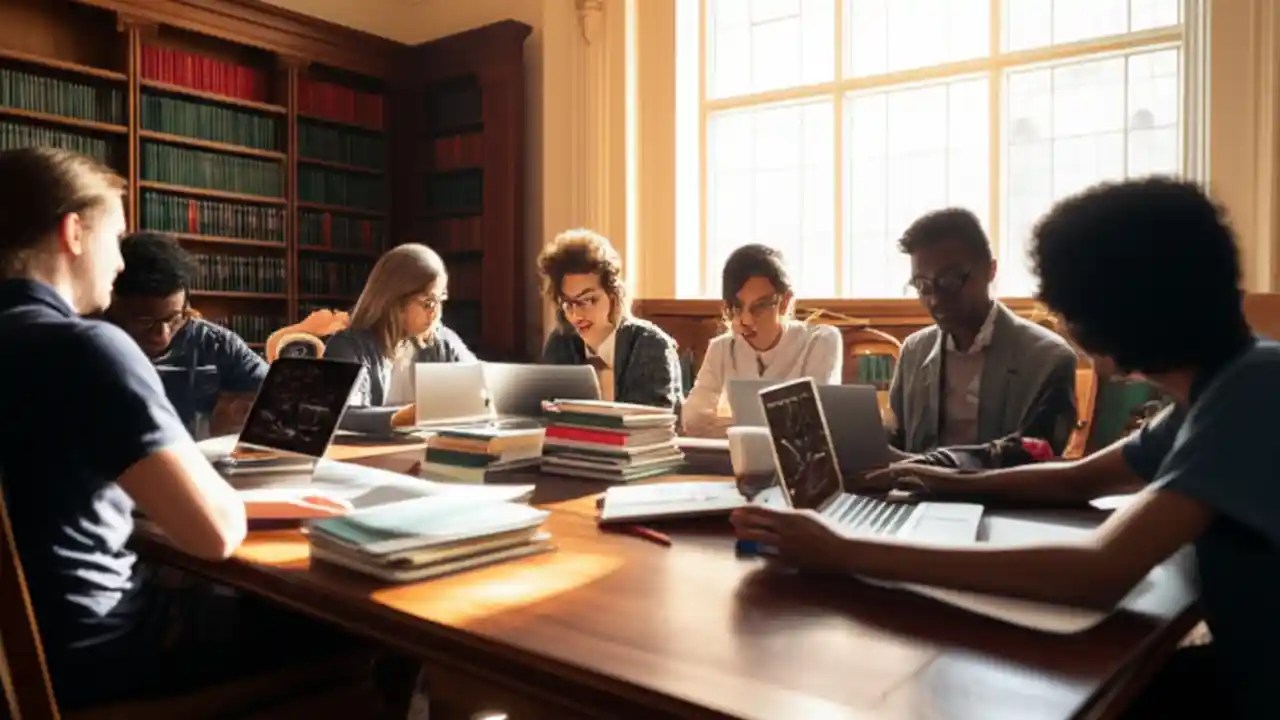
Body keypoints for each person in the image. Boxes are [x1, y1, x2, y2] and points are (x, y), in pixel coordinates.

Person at [732, 178, 1277, 718]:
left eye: (1066, 305)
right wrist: (943, 480)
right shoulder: (1218, 387)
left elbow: (1099, 570)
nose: (1063, 322)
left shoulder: (1252, 392)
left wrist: (846, 551)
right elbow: (1079, 479)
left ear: (1115, 310)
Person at [0, 147, 251, 707]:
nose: (119, 263)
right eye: (115, 239)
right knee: (358, 627)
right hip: (99, 660)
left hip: (19, 667)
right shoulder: (87, 347)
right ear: (74, 233)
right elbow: (216, 532)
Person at [887, 208, 1078, 455]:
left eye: (950, 280)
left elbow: (1032, 456)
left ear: (990, 270)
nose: (935, 299)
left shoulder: (1049, 358)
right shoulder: (914, 350)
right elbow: (896, 441)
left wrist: (928, 470)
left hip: (1002, 494)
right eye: (922, 285)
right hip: (914, 491)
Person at [104, 232, 267, 438]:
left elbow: (277, 393)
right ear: (113, 305)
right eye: (146, 322)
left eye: (174, 318)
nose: (162, 335)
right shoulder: (90, 345)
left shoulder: (216, 344)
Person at [683, 244, 842, 438]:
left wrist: (732, 426)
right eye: (736, 308)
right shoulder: (722, 349)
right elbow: (692, 421)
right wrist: (774, 427)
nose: (747, 321)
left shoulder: (820, 342)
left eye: (760, 307)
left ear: (784, 302)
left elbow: (813, 424)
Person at [325, 243, 475, 434]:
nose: (436, 312)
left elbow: (480, 390)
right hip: (372, 457)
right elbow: (342, 414)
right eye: (428, 302)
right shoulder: (350, 347)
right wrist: (407, 416)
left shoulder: (442, 340)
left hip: (430, 450)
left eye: (440, 300)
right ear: (395, 302)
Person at [538, 228, 682, 409]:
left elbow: (650, 423)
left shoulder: (649, 344)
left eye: (588, 300)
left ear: (613, 295)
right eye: (568, 303)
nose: (576, 315)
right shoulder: (560, 343)